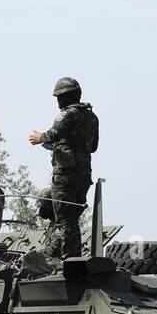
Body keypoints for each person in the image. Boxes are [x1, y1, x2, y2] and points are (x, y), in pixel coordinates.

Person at [29, 76, 97, 258]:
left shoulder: (67, 114)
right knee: (73, 218)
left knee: (64, 220)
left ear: (64, 97)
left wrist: (40, 138)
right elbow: (94, 146)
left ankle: (66, 259)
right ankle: (73, 256)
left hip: (65, 175)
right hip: (84, 175)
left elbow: (54, 133)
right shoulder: (91, 117)